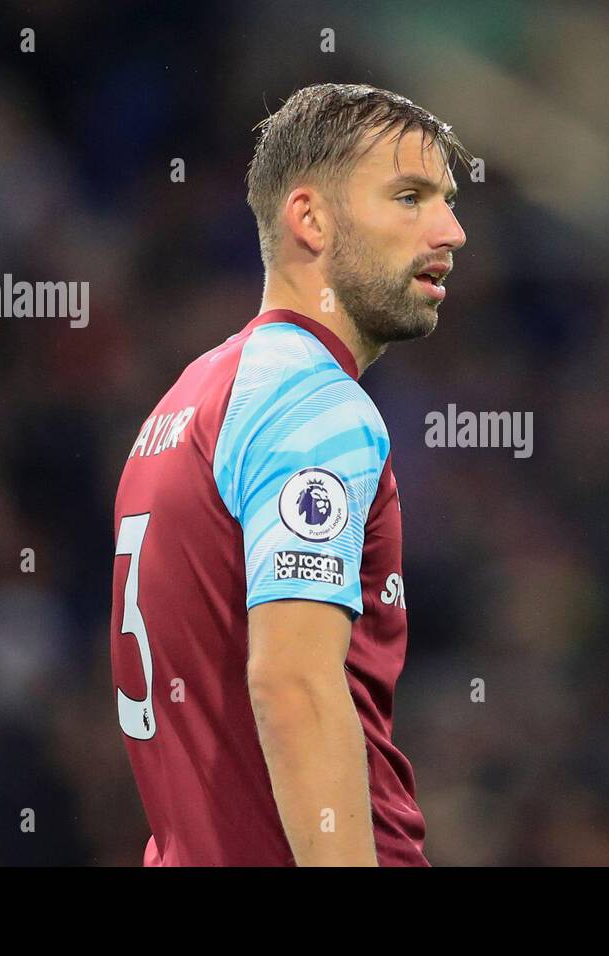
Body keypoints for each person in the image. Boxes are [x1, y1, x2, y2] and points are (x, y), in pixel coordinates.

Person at [109, 83, 468, 866]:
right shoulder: (313, 405)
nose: (452, 230)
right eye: (409, 197)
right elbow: (294, 687)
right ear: (310, 219)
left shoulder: (191, 398)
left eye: (445, 200)